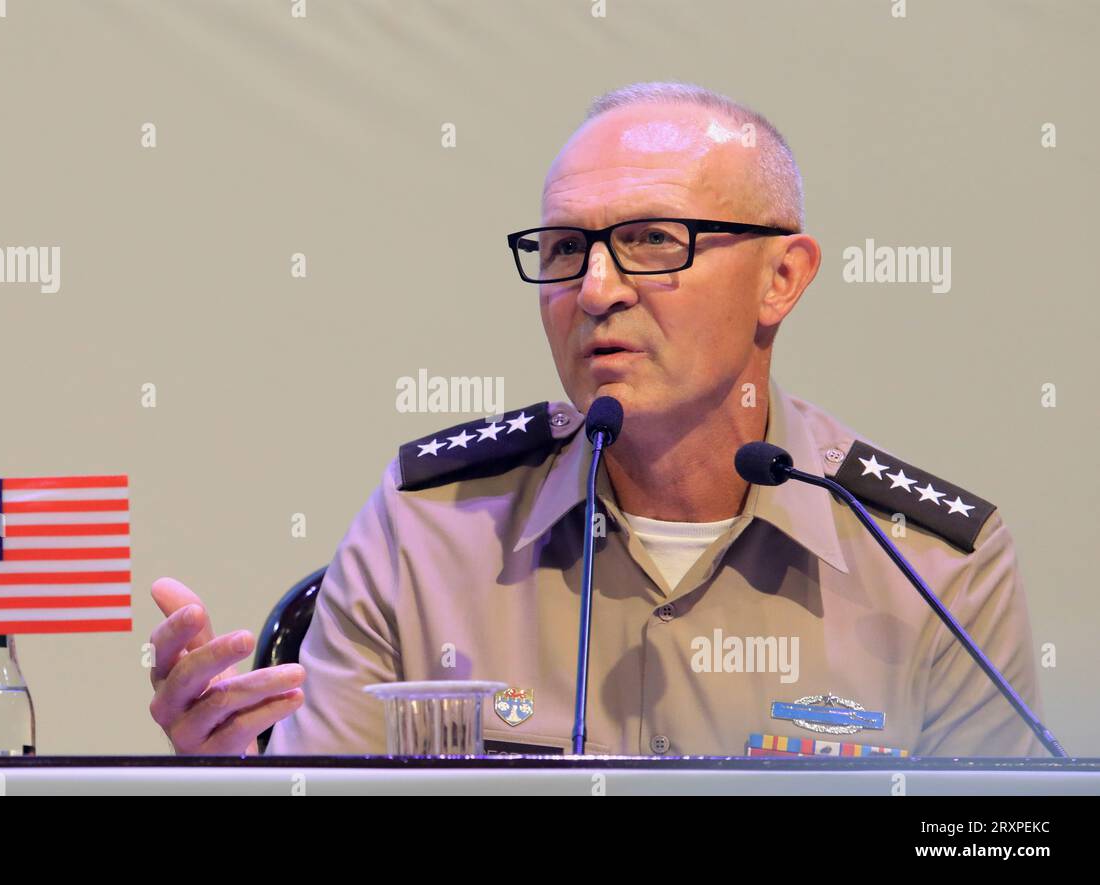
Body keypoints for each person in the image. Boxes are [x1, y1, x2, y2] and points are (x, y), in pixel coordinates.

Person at [147, 81, 1041, 757]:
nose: (597, 289)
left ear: (783, 277)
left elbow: (989, 843)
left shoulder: (930, 563)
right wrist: (239, 783)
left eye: (655, 240)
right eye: (567, 248)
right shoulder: (430, 522)